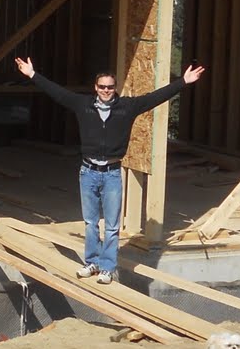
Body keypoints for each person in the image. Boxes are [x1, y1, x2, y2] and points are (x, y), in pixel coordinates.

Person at [14, 56, 206, 284]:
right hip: (88, 172)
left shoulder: (127, 107)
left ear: (115, 88)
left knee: (112, 226)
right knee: (90, 223)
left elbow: (155, 97)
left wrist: (183, 82)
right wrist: (32, 74)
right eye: (102, 87)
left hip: (112, 173)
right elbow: (58, 93)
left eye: (110, 87)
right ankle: (91, 262)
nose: (106, 91)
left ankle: (107, 267)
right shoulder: (83, 105)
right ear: (95, 88)